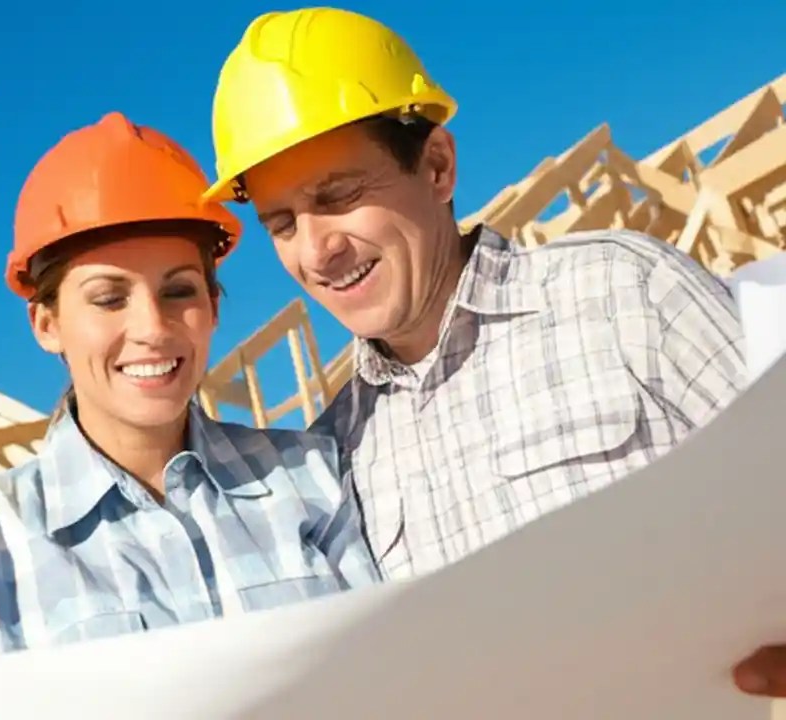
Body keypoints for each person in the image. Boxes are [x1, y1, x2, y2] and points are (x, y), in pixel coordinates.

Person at [199, 5, 783, 697]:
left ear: (437, 166)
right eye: (282, 224)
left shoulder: (624, 291)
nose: (317, 250)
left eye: (341, 195)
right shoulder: (334, 459)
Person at [0, 111, 379, 666]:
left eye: (179, 291)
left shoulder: (313, 482)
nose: (152, 328)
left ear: (213, 306)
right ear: (46, 324)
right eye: (109, 298)